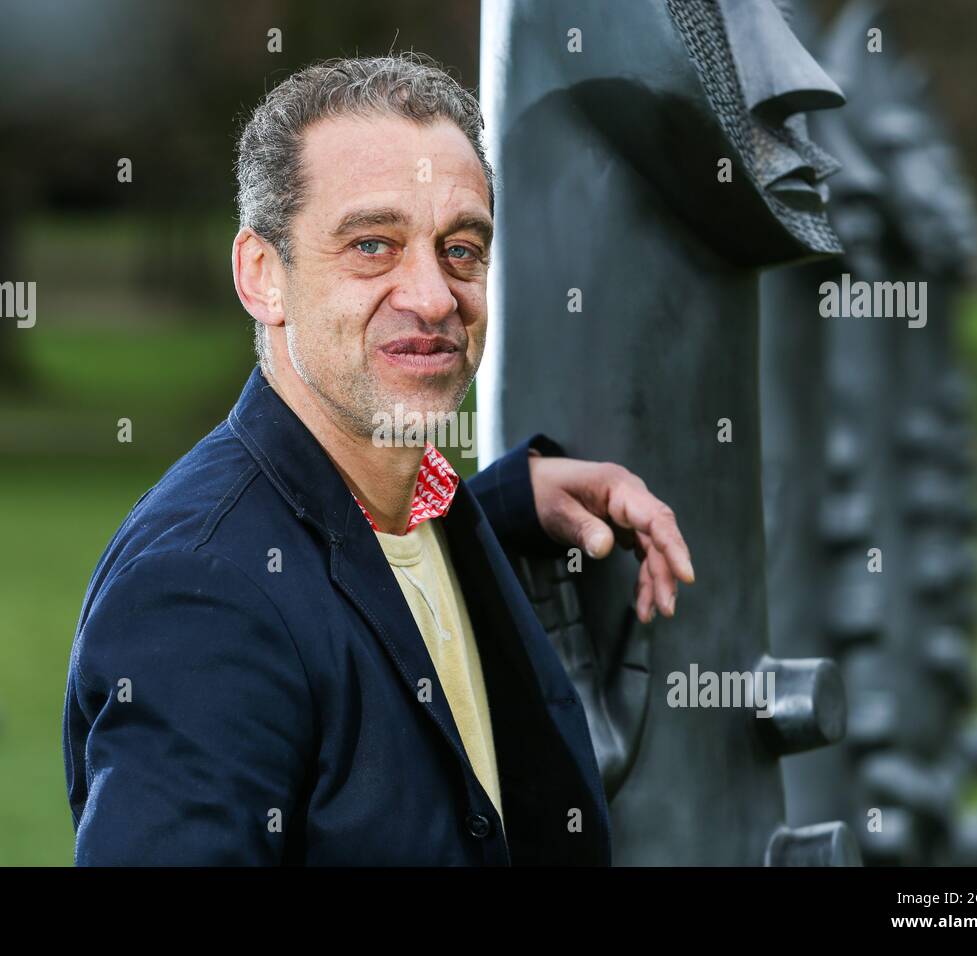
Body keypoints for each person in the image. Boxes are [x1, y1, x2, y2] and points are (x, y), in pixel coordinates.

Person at [63, 53, 693, 865]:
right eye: (372, 245)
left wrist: (504, 506)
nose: (432, 297)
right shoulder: (198, 595)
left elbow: (355, 569)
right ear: (263, 277)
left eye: (461, 248)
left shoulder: (421, 509)